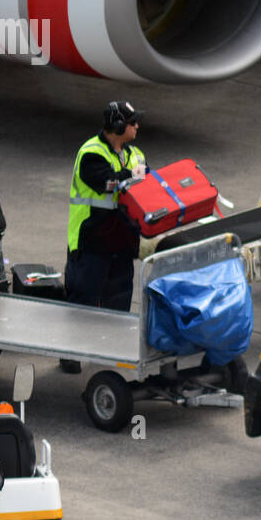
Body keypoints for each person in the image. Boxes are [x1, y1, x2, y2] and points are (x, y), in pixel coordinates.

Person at [61, 101, 148, 373]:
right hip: (91, 240)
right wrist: (128, 178)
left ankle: (112, 355)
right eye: (132, 122)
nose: (137, 126)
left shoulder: (137, 155)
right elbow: (107, 182)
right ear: (119, 126)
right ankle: (70, 354)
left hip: (121, 241)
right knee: (83, 300)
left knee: (118, 301)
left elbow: (147, 181)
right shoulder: (91, 153)